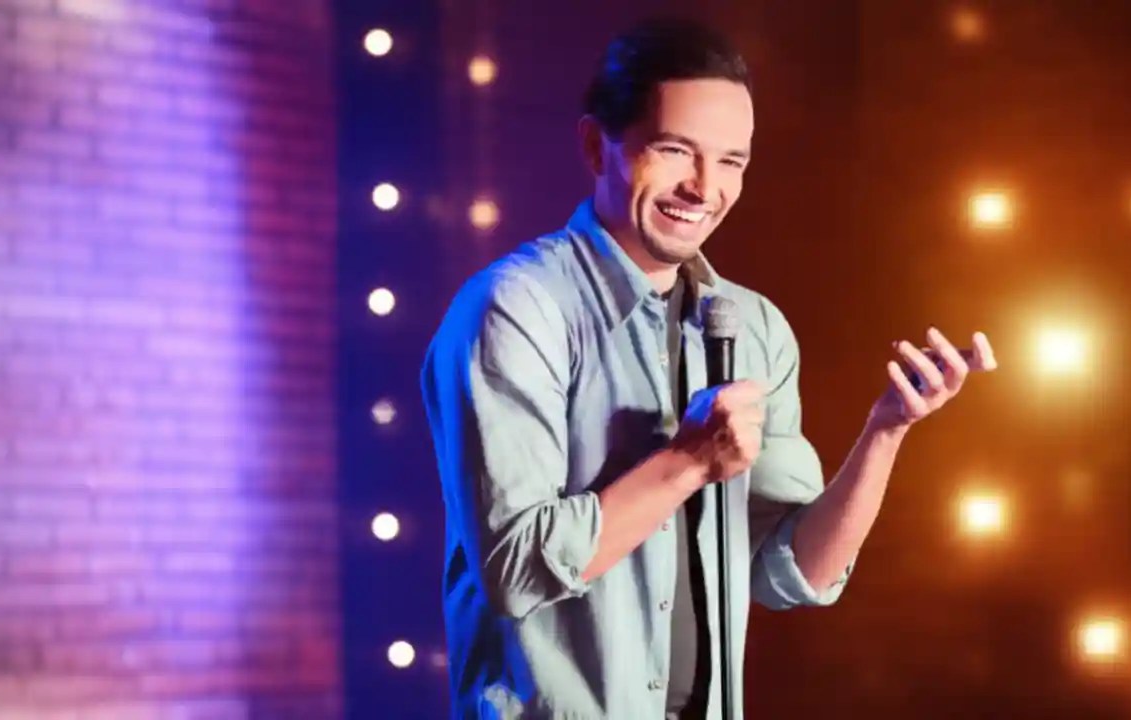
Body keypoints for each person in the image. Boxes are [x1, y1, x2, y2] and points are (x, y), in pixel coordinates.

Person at [420, 16, 998, 720]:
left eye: (732, 162)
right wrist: (690, 461)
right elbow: (514, 570)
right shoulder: (516, 309)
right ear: (595, 146)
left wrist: (886, 431)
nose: (704, 187)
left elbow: (791, 572)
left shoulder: (753, 327)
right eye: (674, 151)